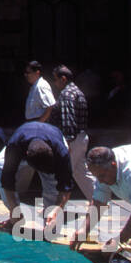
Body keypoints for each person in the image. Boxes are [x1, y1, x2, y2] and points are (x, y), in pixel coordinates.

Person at [0, 121, 73, 234]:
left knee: (52, 186)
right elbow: (7, 179)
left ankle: (50, 223)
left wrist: (57, 209)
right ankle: (15, 216)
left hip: (53, 137)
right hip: (24, 138)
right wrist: (13, 208)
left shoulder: (61, 153)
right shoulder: (14, 146)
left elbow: (66, 186)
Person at [49, 65, 93, 199]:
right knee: (81, 173)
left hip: (72, 140)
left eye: (55, 80)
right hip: (80, 138)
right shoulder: (77, 91)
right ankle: (99, 199)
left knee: (61, 174)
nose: (55, 83)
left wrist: (66, 143)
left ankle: (54, 207)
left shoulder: (67, 94)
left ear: (63, 79)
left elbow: (68, 120)